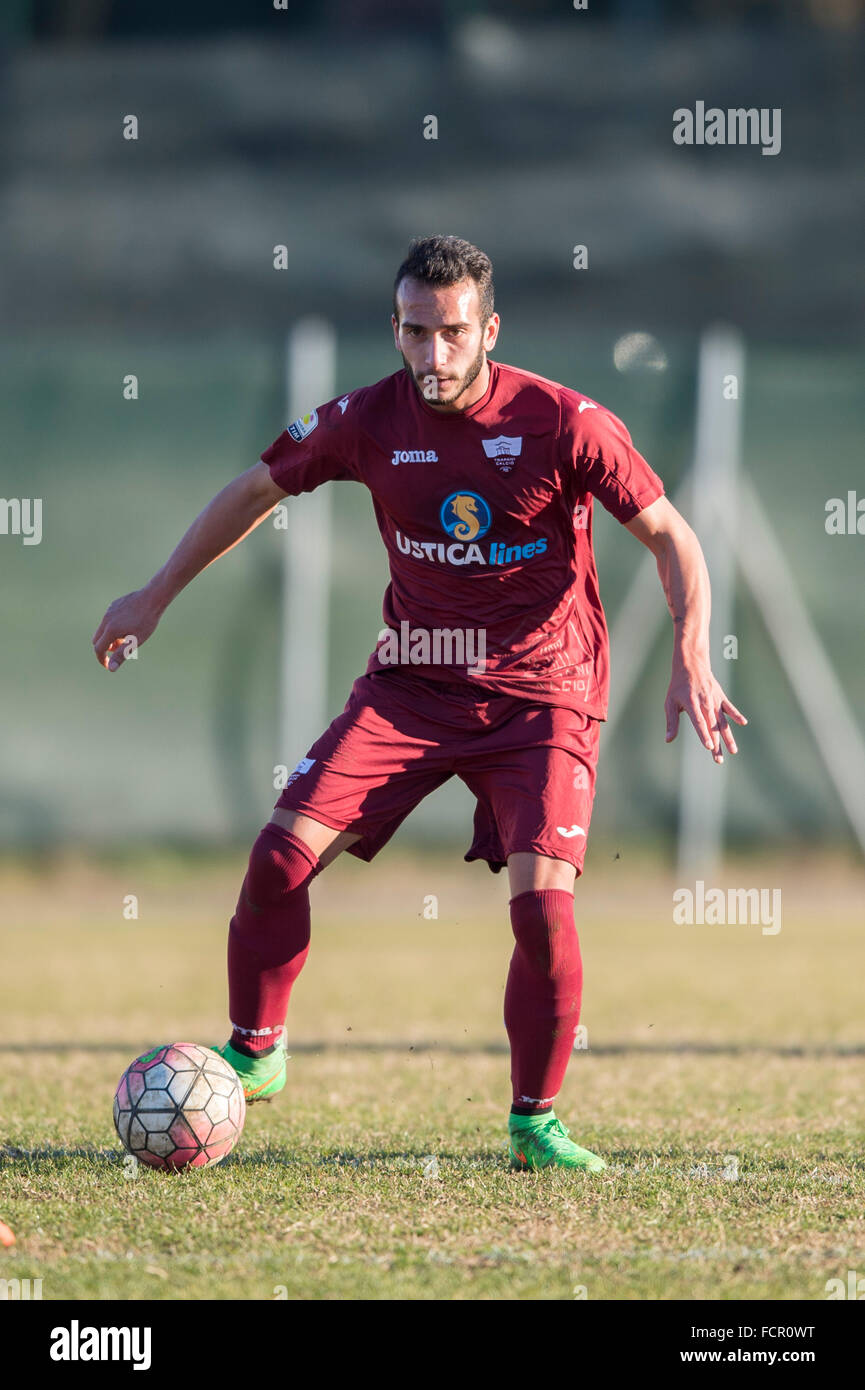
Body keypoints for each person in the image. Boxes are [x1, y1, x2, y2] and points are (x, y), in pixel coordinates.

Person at [93, 235, 746, 1171]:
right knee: (279, 857)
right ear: (394, 329)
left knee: (542, 916)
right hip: (412, 685)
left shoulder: (566, 423)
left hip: (544, 698)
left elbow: (673, 538)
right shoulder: (366, 418)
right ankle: (256, 1049)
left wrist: (690, 652)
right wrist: (153, 594)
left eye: (449, 334)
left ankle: (534, 1121)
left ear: (487, 329)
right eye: (413, 332)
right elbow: (253, 490)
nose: (431, 356)